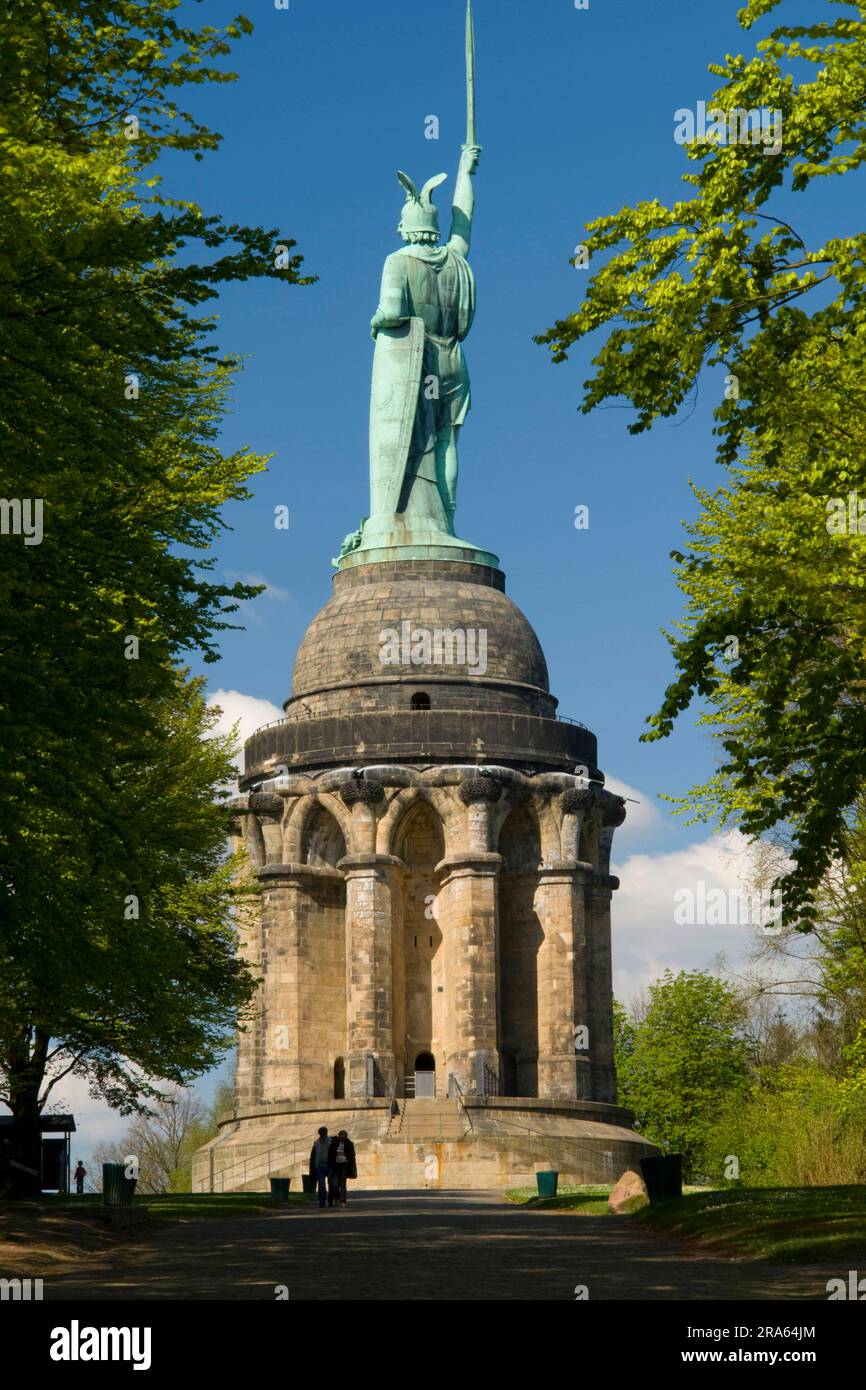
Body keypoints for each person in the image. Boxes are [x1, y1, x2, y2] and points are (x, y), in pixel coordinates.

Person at [327, 1130, 356, 1209]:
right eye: (341, 1136)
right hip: (336, 1165)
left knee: (343, 1184)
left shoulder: (349, 1144)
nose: (342, 1138)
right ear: (339, 1136)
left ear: (346, 1137)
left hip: (344, 1166)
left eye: (344, 1136)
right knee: (335, 1184)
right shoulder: (334, 1144)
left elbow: (352, 1156)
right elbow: (330, 1155)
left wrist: (350, 1165)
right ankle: (335, 1197)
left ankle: (343, 1201)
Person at [309, 1127, 333, 1209]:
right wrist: (313, 1167)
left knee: (331, 1183)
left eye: (324, 1133)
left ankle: (330, 1200)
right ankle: (322, 1202)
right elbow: (313, 1156)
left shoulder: (331, 1142)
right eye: (322, 1133)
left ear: (326, 1133)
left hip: (329, 1165)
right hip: (320, 1166)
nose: (323, 1135)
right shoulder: (316, 1143)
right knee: (321, 1184)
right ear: (319, 1134)